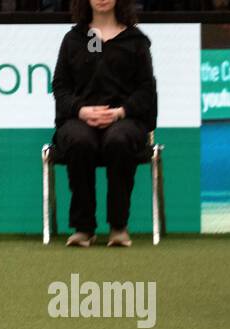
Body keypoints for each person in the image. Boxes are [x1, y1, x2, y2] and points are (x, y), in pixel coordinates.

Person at [52, 0, 157, 248]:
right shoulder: (73, 39)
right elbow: (60, 87)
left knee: (118, 140)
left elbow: (146, 90)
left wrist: (121, 112)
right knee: (79, 141)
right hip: (79, 119)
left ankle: (118, 227)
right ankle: (83, 228)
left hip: (125, 120)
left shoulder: (135, 41)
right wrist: (81, 111)